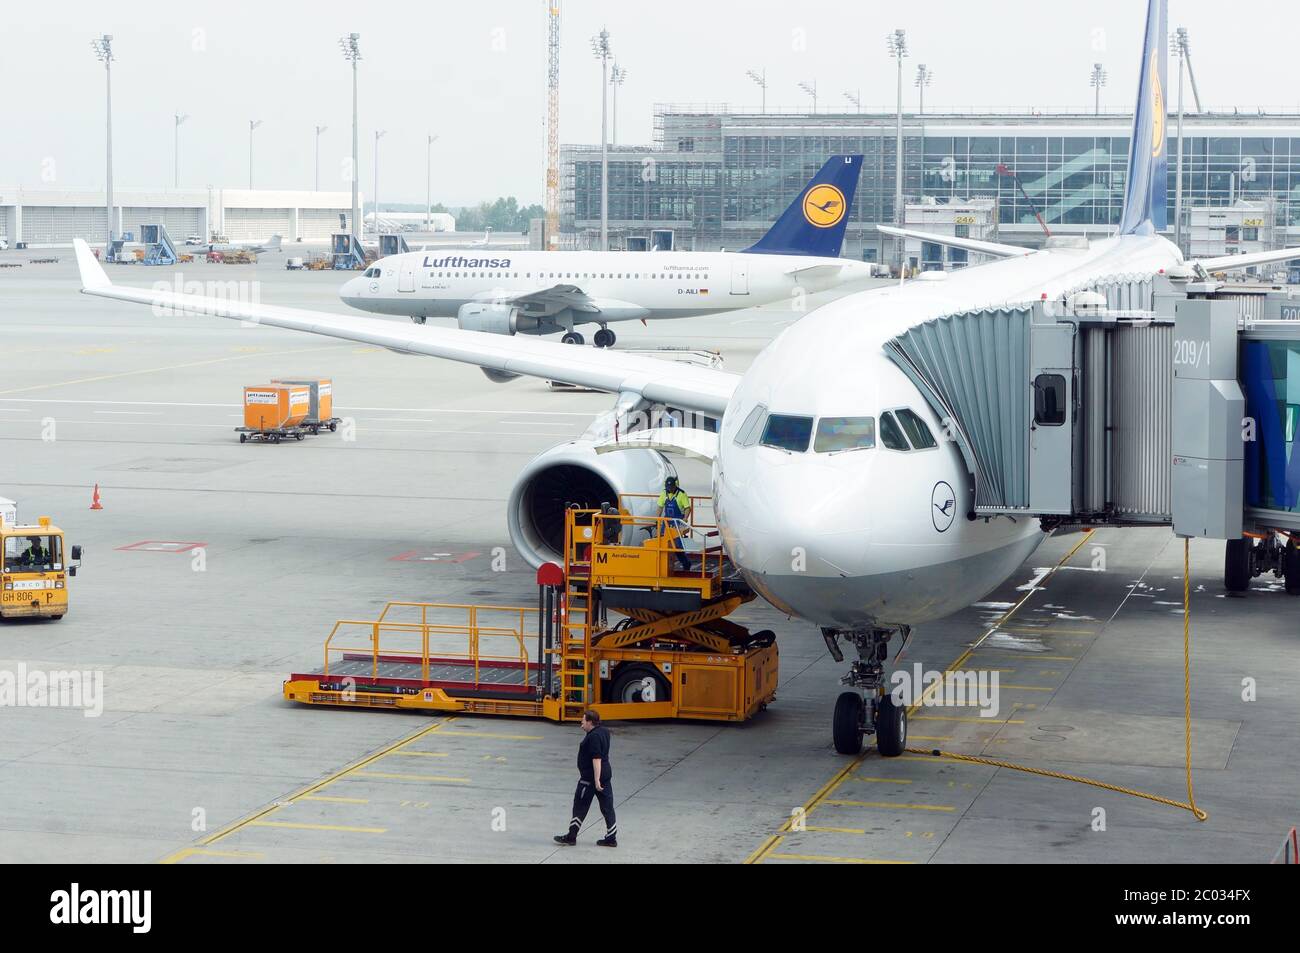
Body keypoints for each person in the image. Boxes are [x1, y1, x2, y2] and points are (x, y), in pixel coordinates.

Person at [554, 710, 617, 847]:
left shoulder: (593, 737)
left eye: (582, 721)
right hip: (605, 775)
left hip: (590, 778)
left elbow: (596, 758)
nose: (581, 725)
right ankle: (611, 837)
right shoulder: (604, 731)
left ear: (589, 722)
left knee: (580, 805)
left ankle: (571, 836)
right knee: (607, 807)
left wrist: (596, 780)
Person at [656, 476, 692, 571]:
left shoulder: (681, 494)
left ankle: (686, 563)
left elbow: (687, 508)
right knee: (663, 543)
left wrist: (685, 519)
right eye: (668, 487)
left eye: (671, 487)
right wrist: (657, 519)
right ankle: (663, 566)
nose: (670, 489)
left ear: (675, 486)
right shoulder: (664, 493)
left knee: (677, 545)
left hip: (677, 522)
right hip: (667, 522)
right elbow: (660, 507)